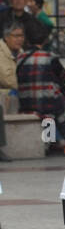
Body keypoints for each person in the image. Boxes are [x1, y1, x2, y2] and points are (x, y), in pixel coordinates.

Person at [17, 22, 65, 155]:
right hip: (48, 104)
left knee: (50, 107)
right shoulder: (50, 57)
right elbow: (64, 77)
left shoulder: (20, 57)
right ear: (45, 39)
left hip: (26, 102)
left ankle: (51, 142)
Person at [0, 21, 22, 161]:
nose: (19, 39)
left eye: (21, 36)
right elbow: (7, 79)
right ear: (6, 37)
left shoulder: (20, 52)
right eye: (16, 36)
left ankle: (54, 141)